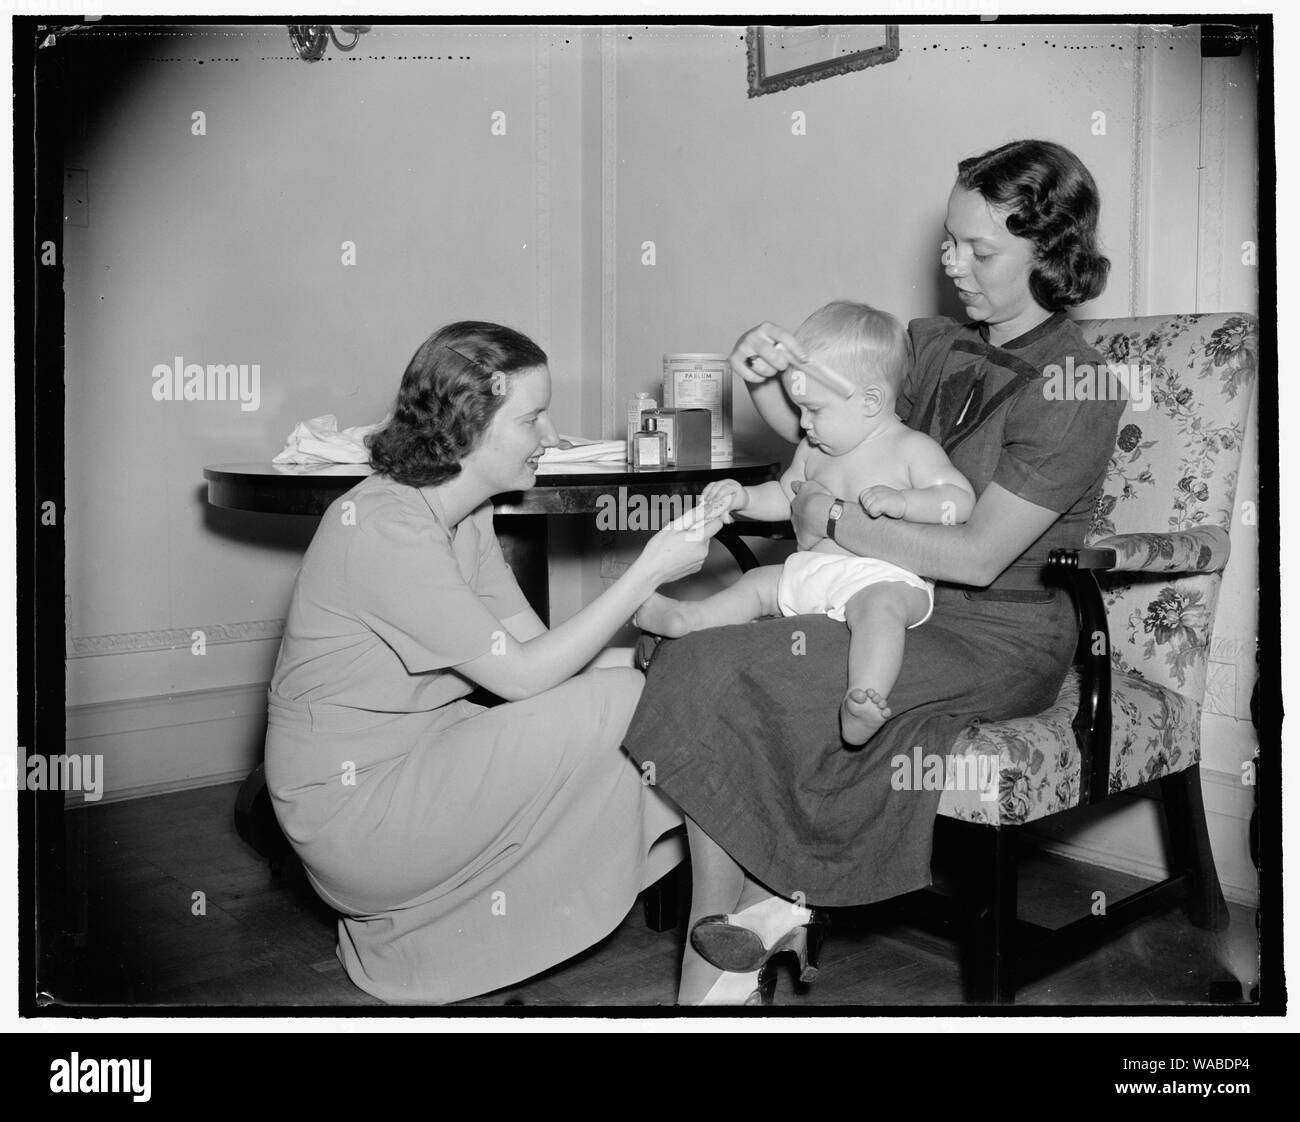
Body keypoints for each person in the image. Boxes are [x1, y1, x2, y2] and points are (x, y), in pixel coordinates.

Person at [621, 138, 1126, 1005]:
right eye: (948, 240)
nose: (951, 263)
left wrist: (834, 519)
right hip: (874, 593)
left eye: (980, 249)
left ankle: (738, 946)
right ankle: (738, 930)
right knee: (699, 657)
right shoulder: (927, 345)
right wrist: (768, 373)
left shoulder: (1079, 384)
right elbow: (823, 432)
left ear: (1051, 254)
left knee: (727, 660)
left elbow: (974, 554)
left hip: (999, 629)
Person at [264, 320, 722, 1004]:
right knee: (629, 700)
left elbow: (539, 661)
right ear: (467, 429)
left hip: (415, 767)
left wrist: (680, 653)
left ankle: (726, 926)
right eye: (532, 418)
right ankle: (718, 939)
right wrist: (645, 575)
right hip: (352, 815)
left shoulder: (463, 517)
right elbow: (524, 679)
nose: (551, 436)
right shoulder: (385, 529)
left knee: (653, 693)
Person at [634, 301, 975, 745]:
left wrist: (905, 501)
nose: (803, 423)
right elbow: (786, 496)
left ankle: (863, 697)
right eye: (800, 409)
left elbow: (959, 501)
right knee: (757, 583)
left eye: (814, 409)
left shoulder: (911, 449)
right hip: (813, 573)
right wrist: (743, 497)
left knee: (880, 613)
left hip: (882, 577)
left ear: (871, 400)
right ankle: (688, 617)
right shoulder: (814, 451)